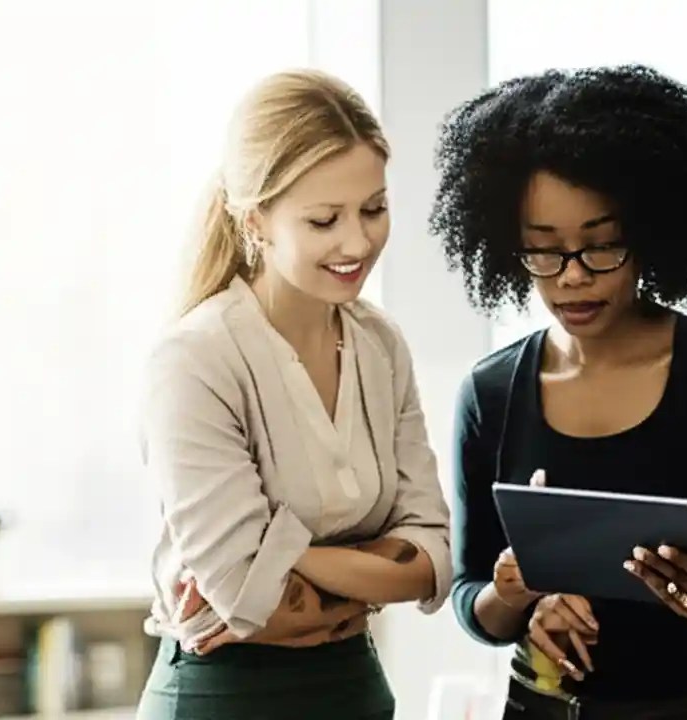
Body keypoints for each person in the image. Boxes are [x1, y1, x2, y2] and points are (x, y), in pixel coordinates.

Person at [432, 64, 687, 720]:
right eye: (543, 252)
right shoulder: (490, 395)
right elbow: (471, 596)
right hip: (544, 706)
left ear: (650, 235)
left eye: (601, 247)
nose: (573, 278)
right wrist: (518, 597)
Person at [134, 69, 452, 720]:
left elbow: (433, 558)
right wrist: (369, 572)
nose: (358, 242)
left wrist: (291, 557)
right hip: (225, 700)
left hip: (353, 693)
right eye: (323, 220)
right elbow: (261, 600)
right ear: (256, 220)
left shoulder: (381, 345)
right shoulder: (196, 360)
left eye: (373, 208)